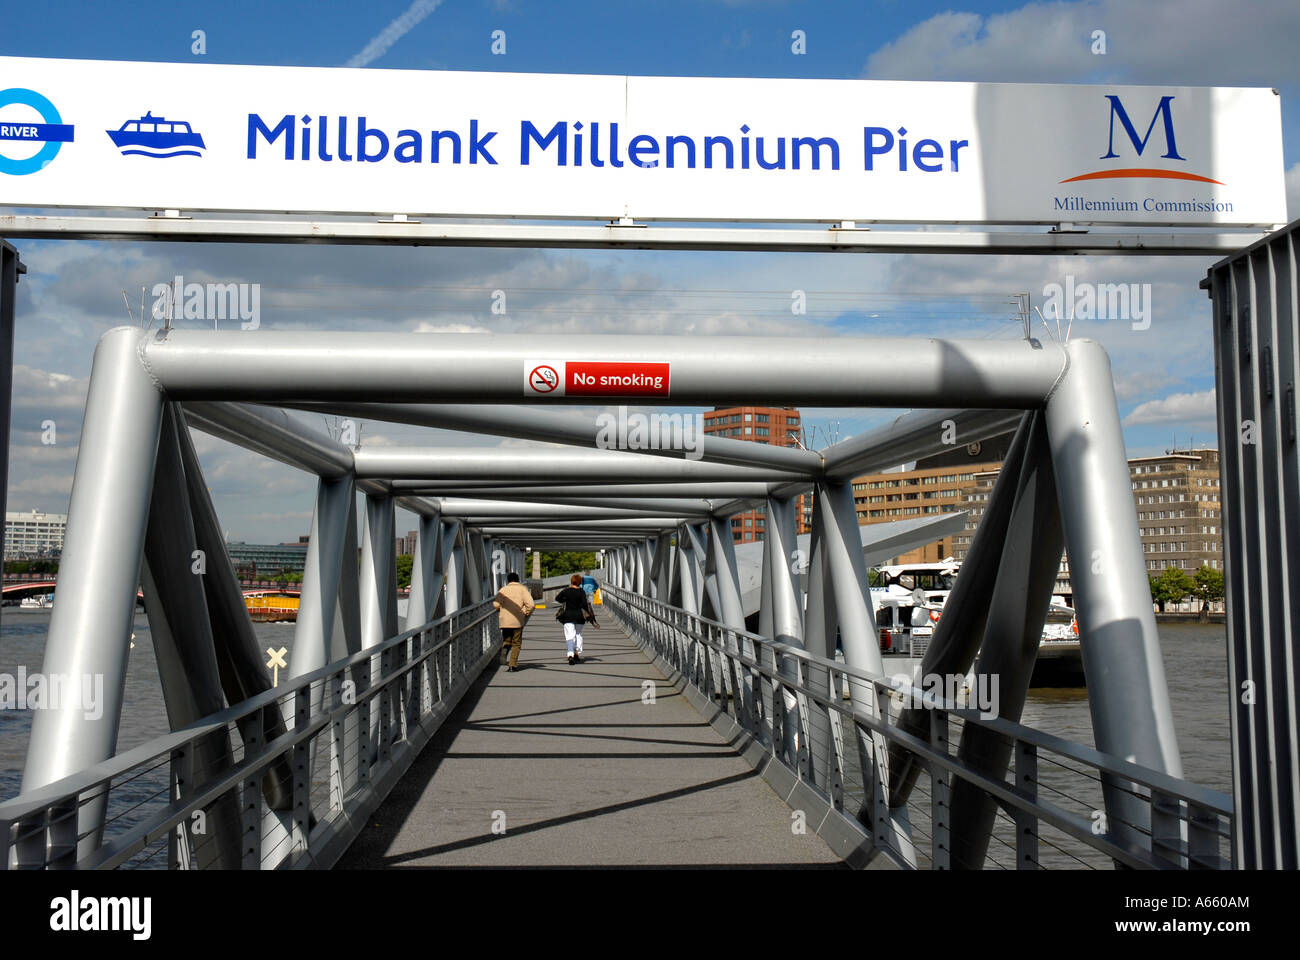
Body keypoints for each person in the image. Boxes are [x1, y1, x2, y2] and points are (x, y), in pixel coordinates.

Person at [493, 571, 535, 672]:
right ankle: (512, 665)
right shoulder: (523, 589)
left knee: (507, 639)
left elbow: (496, 604)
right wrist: (525, 612)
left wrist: (501, 609)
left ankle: (504, 651)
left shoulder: (503, 589)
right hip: (517, 620)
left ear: (508, 581)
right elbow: (531, 604)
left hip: (504, 620)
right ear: (518, 580)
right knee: (516, 643)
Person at [555, 572, 595, 665]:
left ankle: (570, 655)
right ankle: (577, 652)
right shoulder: (581, 591)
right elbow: (585, 604)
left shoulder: (566, 591)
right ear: (579, 582)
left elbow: (558, 598)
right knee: (578, 634)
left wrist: (566, 599)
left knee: (570, 636)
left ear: (572, 581)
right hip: (579, 616)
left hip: (568, 616)